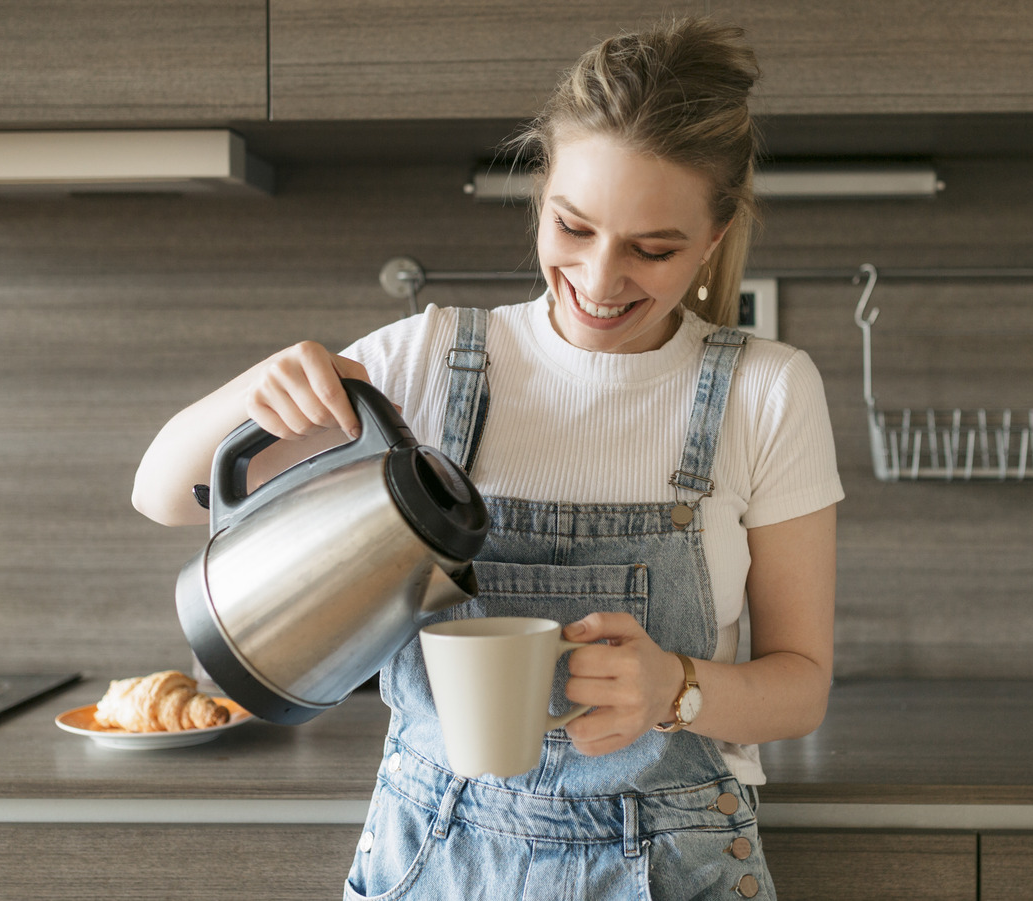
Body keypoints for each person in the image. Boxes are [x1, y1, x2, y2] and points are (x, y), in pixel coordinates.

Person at [132, 17, 841, 900]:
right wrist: (260, 388)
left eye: (652, 249)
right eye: (573, 226)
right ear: (540, 191)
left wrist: (674, 686)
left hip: (671, 864)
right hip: (432, 854)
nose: (599, 277)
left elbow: (801, 686)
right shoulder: (423, 363)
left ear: (713, 235)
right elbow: (161, 491)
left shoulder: (766, 390)